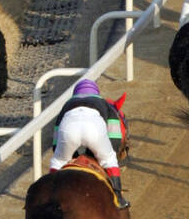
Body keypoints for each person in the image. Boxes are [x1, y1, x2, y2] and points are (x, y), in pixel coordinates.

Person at [50, 79, 130, 207]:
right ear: (96, 93)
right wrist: (107, 154)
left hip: (69, 128)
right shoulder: (104, 103)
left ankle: (51, 198)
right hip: (94, 128)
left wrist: (70, 155)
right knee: (109, 160)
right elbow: (114, 137)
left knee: (57, 161)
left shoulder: (67, 104)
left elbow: (55, 140)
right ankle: (119, 198)